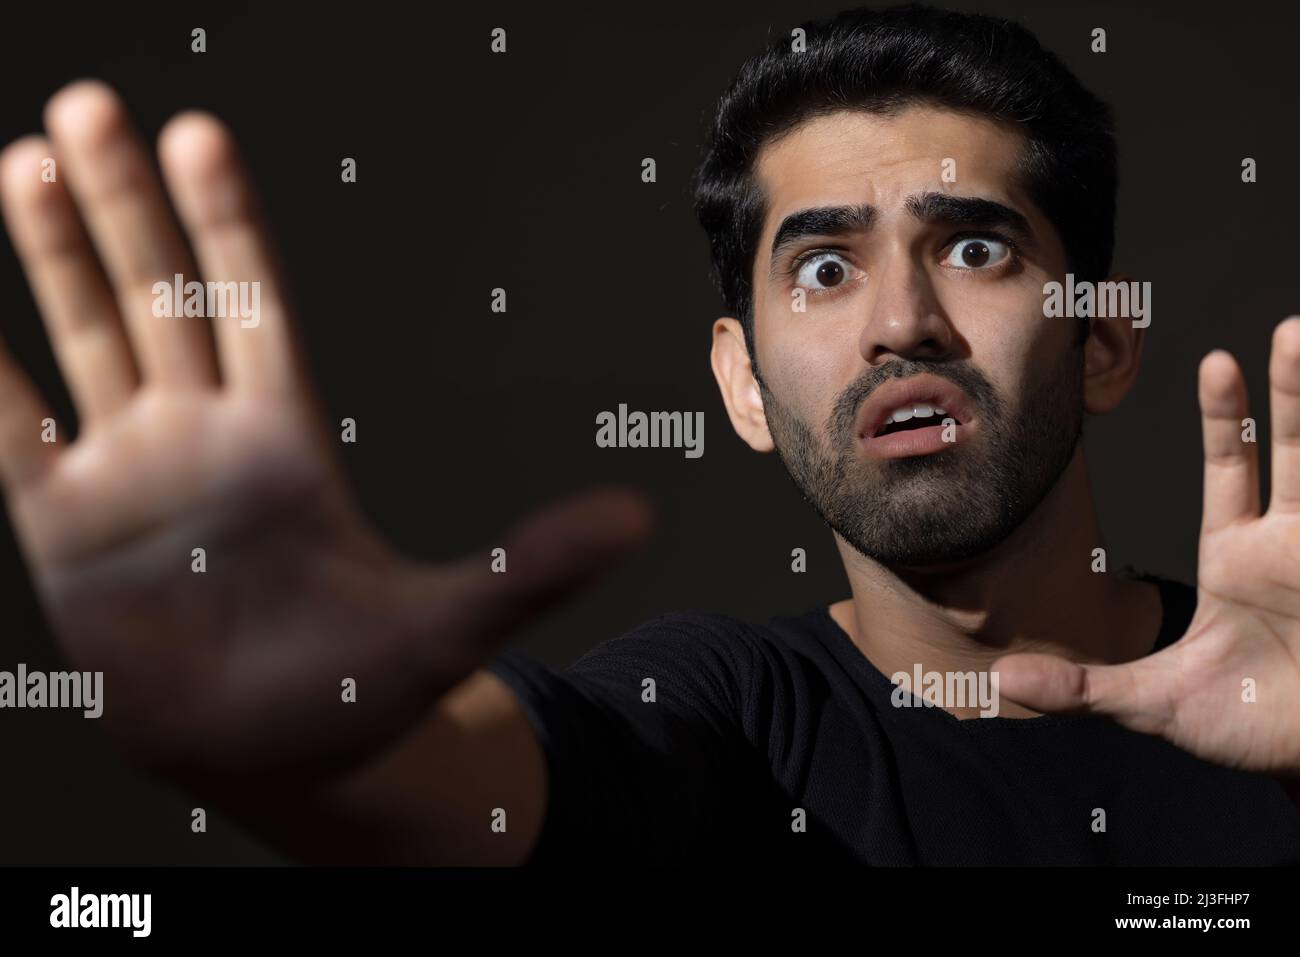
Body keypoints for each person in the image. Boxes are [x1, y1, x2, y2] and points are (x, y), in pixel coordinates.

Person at [0, 4, 1297, 866]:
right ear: (740, 385)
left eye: (972, 246)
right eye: (825, 270)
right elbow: (484, 785)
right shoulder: (720, 714)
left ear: (1105, 341)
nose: (903, 321)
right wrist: (315, 747)